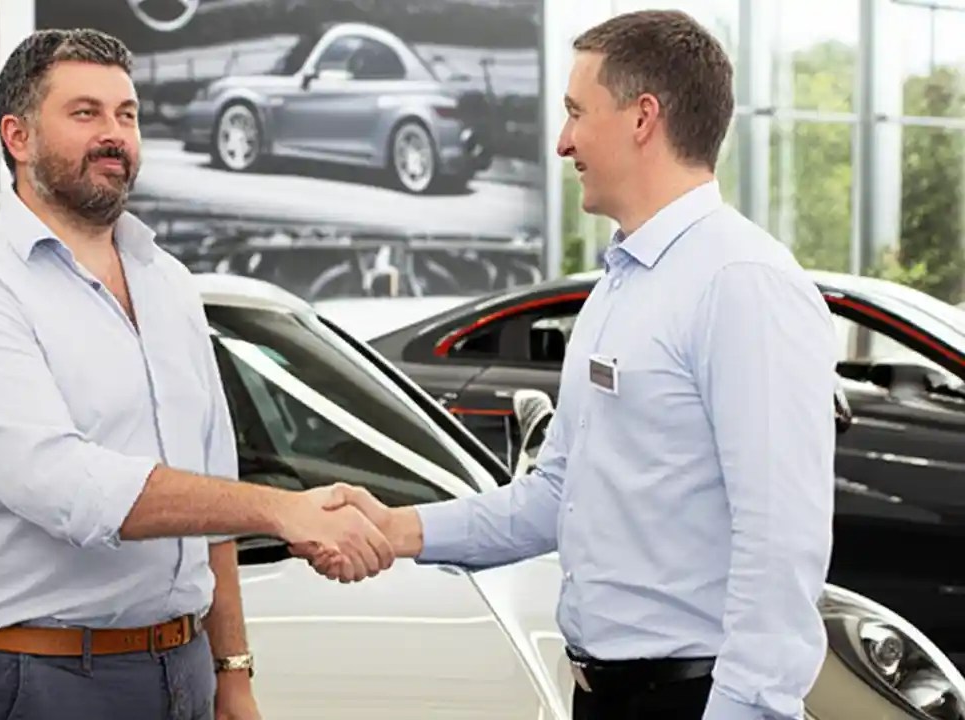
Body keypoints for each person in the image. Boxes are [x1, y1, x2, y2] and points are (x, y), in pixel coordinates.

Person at [305, 10, 837, 720]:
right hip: (606, 696)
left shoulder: (741, 281)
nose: (562, 142)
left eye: (575, 113)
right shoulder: (622, 282)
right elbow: (557, 496)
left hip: (696, 701)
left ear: (643, 117)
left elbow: (781, 545)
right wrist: (396, 529)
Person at [0, 28, 393, 720]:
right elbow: (65, 487)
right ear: (17, 137)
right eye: (85, 113)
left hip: (184, 669)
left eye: (126, 115)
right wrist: (280, 508)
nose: (114, 135)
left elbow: (212, 496)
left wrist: (232, 672)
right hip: (42, 680)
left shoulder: (167, 283)